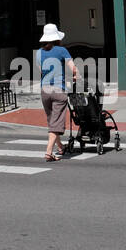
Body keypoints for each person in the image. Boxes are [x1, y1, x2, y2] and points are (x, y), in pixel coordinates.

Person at [35, 23, 78, 162]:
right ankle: (49, 152)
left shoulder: (39, 52)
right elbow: (73, 68)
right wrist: (76, 76)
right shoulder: (62, 50)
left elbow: (41, 71)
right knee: (56, 122)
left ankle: (60, 147)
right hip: (59, 90)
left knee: (51, 120)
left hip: (45, 90)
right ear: (56, 38)